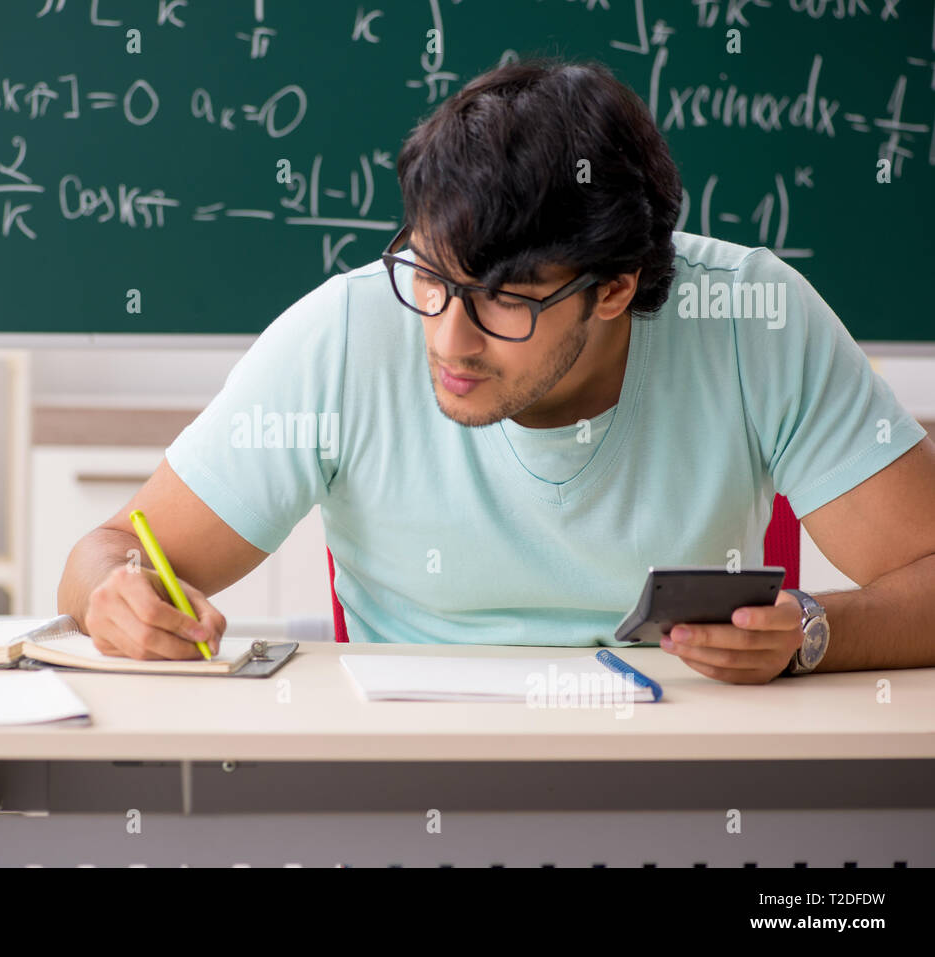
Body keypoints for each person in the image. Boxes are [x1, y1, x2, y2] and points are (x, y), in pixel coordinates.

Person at [58, 58, 935, 684]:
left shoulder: (750, 317)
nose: (449, 340)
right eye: (433, 277)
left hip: (683, 769)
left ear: (615, 287)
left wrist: (815, 630)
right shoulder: (345, 332)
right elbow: (108, 552)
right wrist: (113, 594)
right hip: (412, 773)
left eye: (506, 300)